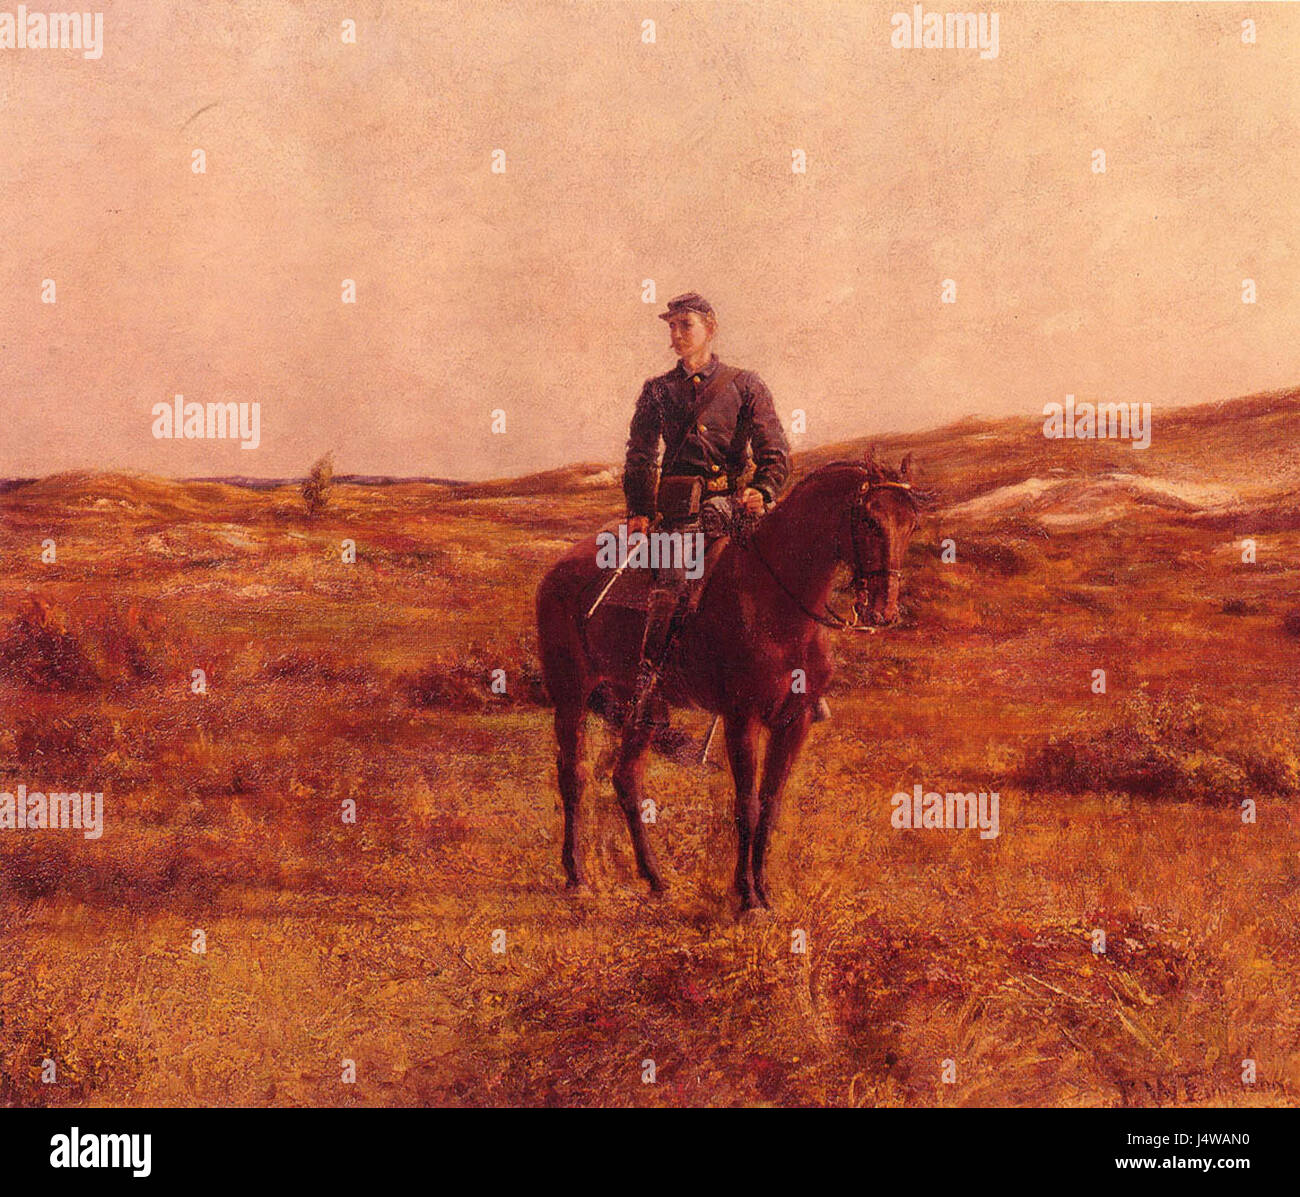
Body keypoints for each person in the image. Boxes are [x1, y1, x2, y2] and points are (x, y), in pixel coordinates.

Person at [622, 292, 791, 729]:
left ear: (709, 329)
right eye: (672, 327)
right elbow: (641, 455)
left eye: (686, 326)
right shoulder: (657, 391)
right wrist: (640, 510)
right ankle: (649, 683)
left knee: (787, 575)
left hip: (734, 507)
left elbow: (774, 447)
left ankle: (799, 680)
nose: (676, 335)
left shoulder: (745, 385)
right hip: (680, 513)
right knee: (672, 578)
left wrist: (763, 489)